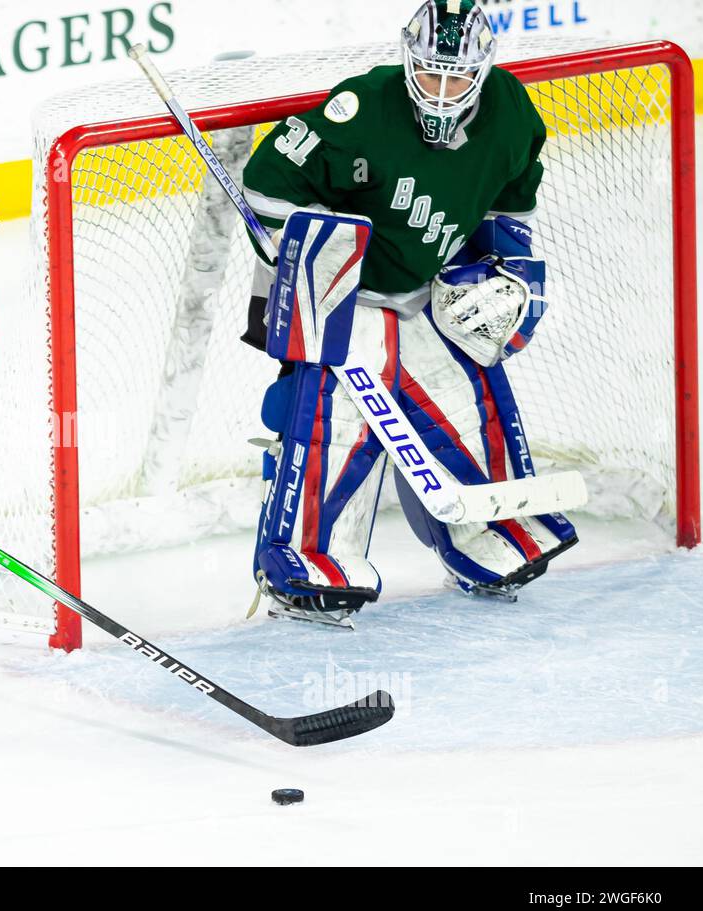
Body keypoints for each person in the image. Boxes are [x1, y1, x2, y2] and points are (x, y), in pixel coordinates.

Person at [242, 0, 577, 627]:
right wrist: (312, 254)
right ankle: (312, 562)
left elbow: (511, 208)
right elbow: (264, 189)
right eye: (429, 74)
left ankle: (487, 536)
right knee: (333, 425)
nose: (442, 91)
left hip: (428, 296)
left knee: (468, 406)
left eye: (457, 77)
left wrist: (506, 268)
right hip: (346, 301)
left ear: (484, 69)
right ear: (407, 58)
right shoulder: (363, 109)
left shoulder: (510, 114)